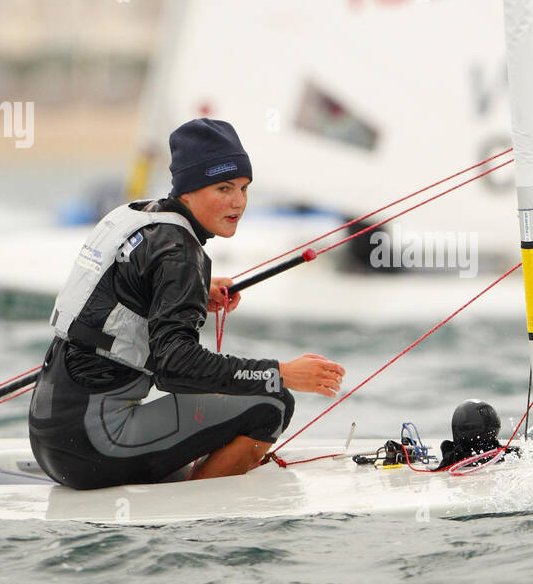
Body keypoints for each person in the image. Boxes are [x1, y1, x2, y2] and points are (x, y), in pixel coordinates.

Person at [28, 118, 345, 490]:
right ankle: (197, 510)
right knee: (272, 403)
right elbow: (175, 368)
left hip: (52, 441)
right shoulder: (179, 251)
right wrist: (280, 372)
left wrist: (194, 289)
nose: (238, 202)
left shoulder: (136, 214)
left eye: (244, 188)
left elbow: (116, 292)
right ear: (189, 191)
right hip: (95, 446)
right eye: (223, 188)